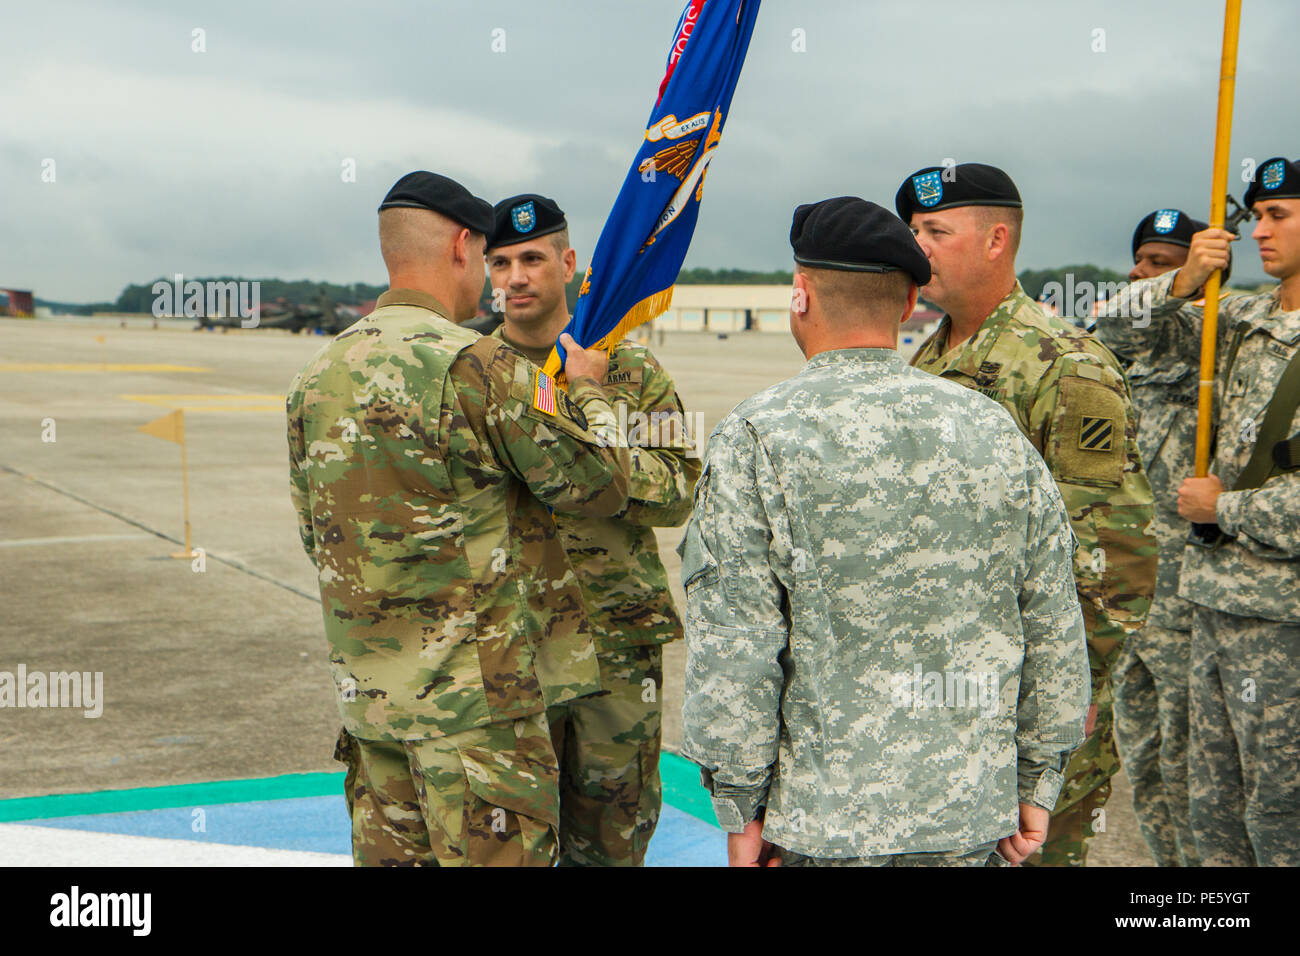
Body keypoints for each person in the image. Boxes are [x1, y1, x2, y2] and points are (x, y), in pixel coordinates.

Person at [679, 197, 1091, 867]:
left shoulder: (758, 436)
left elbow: (737, 645)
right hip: (970, 817)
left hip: (822, 824)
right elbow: (1050, 618)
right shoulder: (993, 431)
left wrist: (741, 808)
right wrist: (1037, 782)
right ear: (907, 306)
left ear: (801, 294)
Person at [285, 171, 631, 866]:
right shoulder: (478, 364)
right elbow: (601, 483)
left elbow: (315, 535)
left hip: (375, 720)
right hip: (478, 726)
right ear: (464, 247)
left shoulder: (316, 374)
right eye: (488, 259)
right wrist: (590, 394)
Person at [898, 163, 1157, 866]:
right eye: (913, 230)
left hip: (1028, 704)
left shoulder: (1062, 365)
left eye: (936, 231)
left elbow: (1115, 557)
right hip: (945, 692)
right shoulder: (926, 361)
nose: (915, 246)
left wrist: (1069, 696)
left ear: (996, 240)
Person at [484, 193, 700, 865]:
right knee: (508, 842)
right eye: (499, 263)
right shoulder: (470, 378)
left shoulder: (631, 373)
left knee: (614, 837)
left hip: (616, 645)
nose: (515, 277)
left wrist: (592, 398)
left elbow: (679, 490)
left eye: (531, 258)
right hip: (513, 649)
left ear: (569, 263)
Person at [1105, 156, 1300, 866]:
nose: (1260, 231)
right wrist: (1183, 282)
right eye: (1259, 216)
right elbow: (1114, 337)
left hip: (1282, 617)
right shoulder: (1241, 319)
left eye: (1280, 215)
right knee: (1212, 808)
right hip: (1211, 603)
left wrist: (1230, 507)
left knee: (1280, 810)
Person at [1094, 208, 1222, 866]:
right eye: (1140, 262)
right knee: (1142, 767)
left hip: (1191, 607)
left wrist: (1198, 287)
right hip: (1128, 599)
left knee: (1196, 776)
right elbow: (1107, 320)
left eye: (1162, 264)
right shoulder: (1125, 344)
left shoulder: (1223, 337)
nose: (1142, 274)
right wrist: (1174, 283)